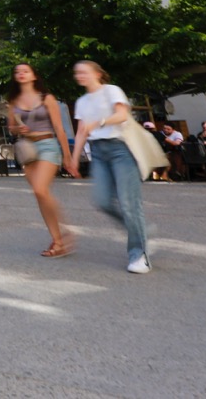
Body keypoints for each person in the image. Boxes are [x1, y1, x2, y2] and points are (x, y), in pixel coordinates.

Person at [65, 60, 151, 274]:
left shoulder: (112, 90)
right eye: (77, 73)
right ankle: (140, 230)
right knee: (102, 201)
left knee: (129, 204)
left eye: (83, 72)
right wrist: (74, 159)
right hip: (98, 152)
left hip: (120, 149)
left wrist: (100, 122)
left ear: (97, 73)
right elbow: (81, 132)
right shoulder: (82, 101)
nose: (79, 76)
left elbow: (122, 115)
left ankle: (139, 255)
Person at [6, 64, 74, 257]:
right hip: (27, 148)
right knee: (40, 195)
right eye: (17, 72)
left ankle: (65, 233)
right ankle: (58, 240)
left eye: (25, 71)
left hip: (48, 145)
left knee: (40, 189)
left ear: (34, 76)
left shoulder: (47, 98)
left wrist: (67, 156)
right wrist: (19, 129)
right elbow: (11, 127)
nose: (21, 73)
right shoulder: (14, 101)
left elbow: (59, 128)